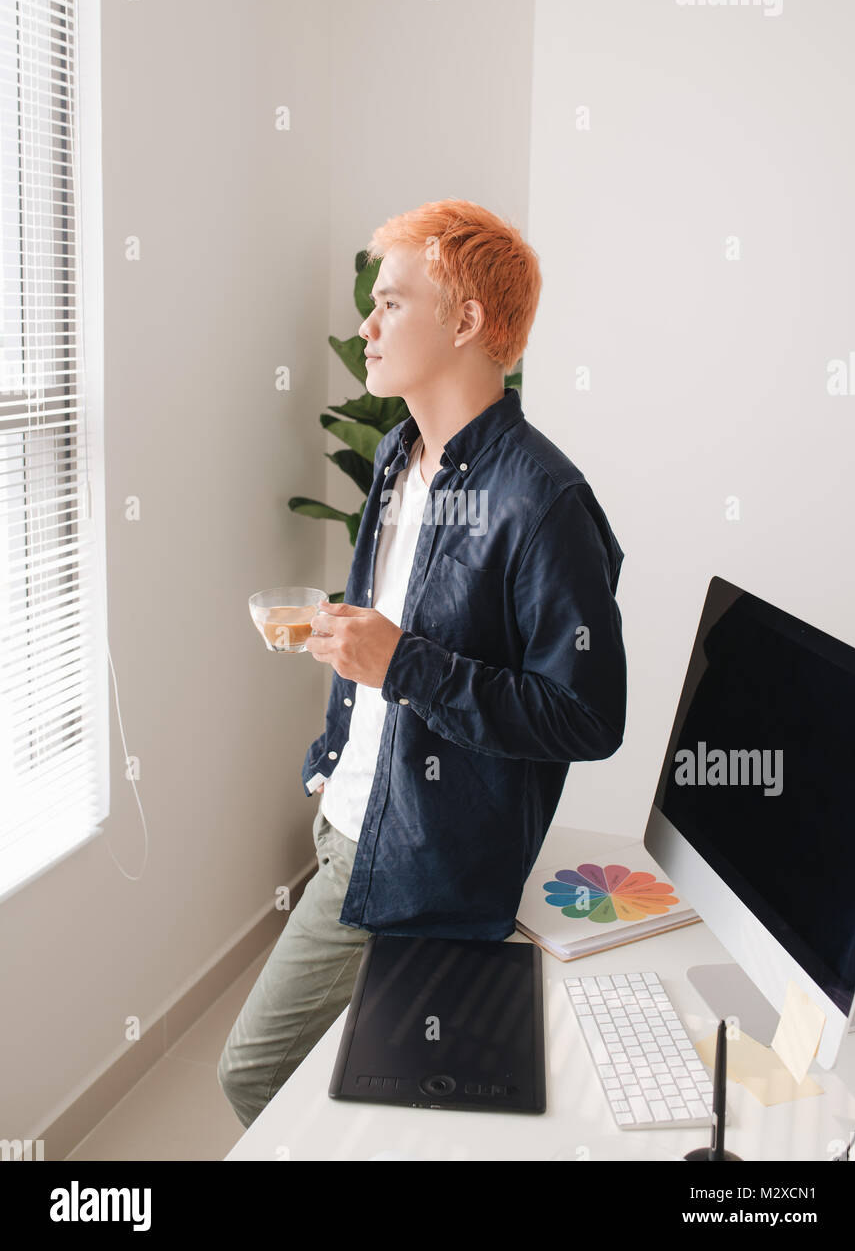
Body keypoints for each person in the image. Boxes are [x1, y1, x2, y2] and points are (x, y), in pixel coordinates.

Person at [218, 198, 627, 1129]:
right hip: (348, 816)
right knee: (383, 1087)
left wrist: (403, 663)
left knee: (252, 1073)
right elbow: (395, 646)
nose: (365, 324)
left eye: (392, 303)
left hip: (410, 858)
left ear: (468, 322)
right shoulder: (401, 455)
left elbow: (585, 717)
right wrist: (347, 699)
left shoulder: (544, 502)